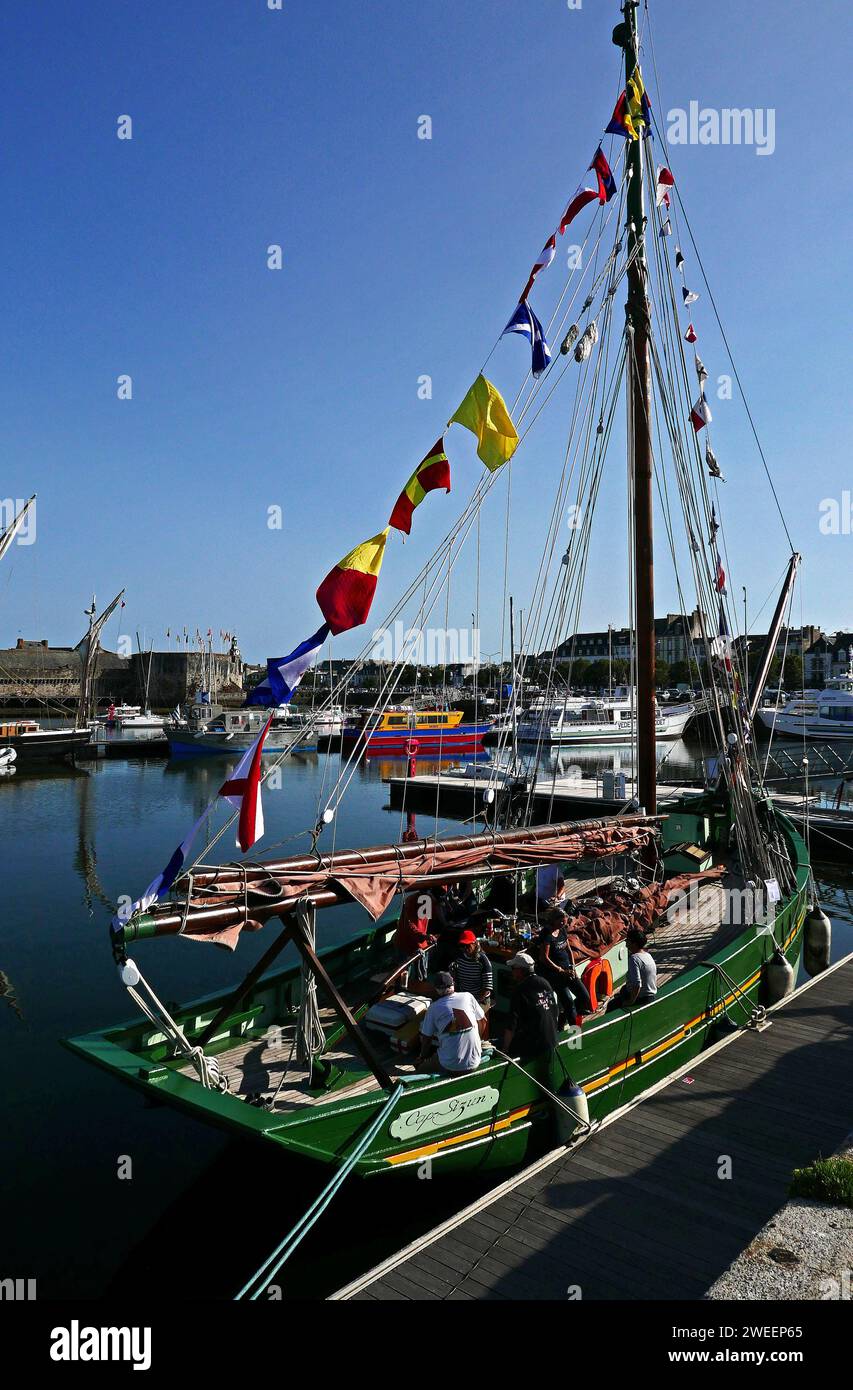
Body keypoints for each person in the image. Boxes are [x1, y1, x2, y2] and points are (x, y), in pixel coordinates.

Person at [417, 972, 487, 1075]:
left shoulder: (433, 1008)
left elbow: (426, 1038)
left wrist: (422, 1057)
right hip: (475, 1061)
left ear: (436, 989)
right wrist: (477, 1039)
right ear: (453, 984)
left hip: (449, 1065)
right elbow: (483, 1021)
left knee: (420, 1068)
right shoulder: (468, 996)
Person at [535, 908, 592, 1027]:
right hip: (556, 975)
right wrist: (560, 970)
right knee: (568, 1002)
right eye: (561, 922)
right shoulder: (547, 934)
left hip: (569, 970)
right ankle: (573, 1033)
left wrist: (573, 967)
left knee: (584, 996)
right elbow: (543, 958)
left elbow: (568, 949)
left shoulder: (562, 930)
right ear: (553, 920)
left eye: (565, 922)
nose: (563, 924)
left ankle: (564, 1015)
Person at [501, 952, 559, 1059]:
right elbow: (555, 1011)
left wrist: (505, 1049)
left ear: (520, 970)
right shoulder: (545, 982)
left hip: (535, 1045)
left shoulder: (519, 990)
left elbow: (511, 1024)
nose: (512, 972)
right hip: (553, 1038)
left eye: (513, 968)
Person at [393, 888, 446, 986]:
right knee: (403, 975)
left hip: (420, 942)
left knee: (420, 975)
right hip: (405, 943)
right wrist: (425, 936)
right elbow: (410, 927)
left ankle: (420, 985)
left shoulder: (428, 900)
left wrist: (441, 928)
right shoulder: (411, 902)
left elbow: (430, 920)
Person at [607, 927, 658, 1011]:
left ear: (634, 943)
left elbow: (637, 984)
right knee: (623, 989)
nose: (626, 941)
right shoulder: (647, 955)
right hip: (650, 995)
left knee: (611, 1005)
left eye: (628, 940)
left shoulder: (634, 959)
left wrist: (630, 1002)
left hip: (642, 998)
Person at [449, 930, 493, 1008]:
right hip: (464, 998)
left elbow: (487, 987)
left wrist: (475, 1002)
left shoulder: (483, 961)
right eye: (462, 946)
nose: (465, 948)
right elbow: (457, 979)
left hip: (481, 1000)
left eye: (467, 945)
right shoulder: (459, 957)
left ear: (475, 944)